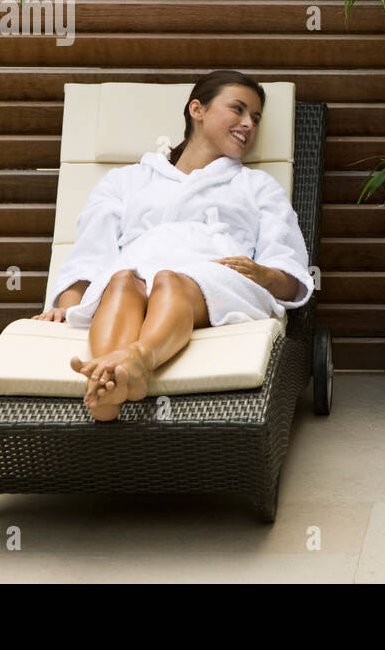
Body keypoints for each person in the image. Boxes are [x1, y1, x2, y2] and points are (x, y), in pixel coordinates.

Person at [32, 70, 314, 421]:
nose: (248, 124)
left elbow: (288, 272)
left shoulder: (258, 187)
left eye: (255, 118)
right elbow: (91, 251)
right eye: (238, 110)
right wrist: (67, 304)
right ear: (197, 109)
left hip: (219, 281)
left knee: (170, 279)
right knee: (120, 280)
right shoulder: (127, 180)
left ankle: (139, 360)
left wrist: (265, 275)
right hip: (135, 274)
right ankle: (108, 384)